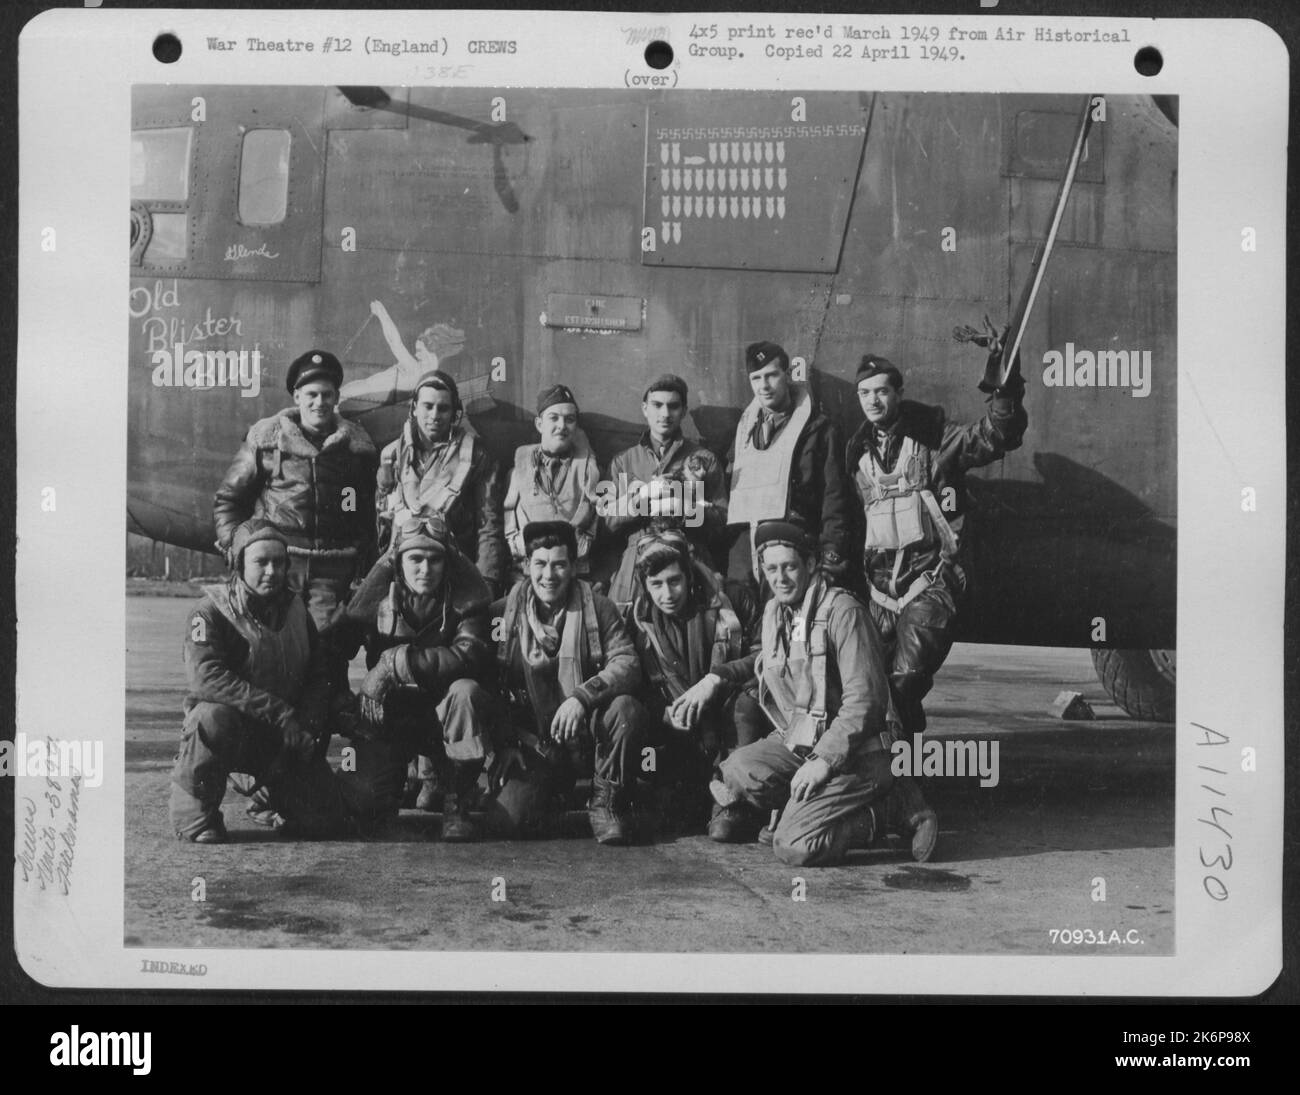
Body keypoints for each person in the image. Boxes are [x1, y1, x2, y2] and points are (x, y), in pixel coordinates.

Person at [845, 335, 1027, 848]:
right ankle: (881, 789)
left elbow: (996, 436)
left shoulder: (934, 442)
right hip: (881, 593)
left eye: (883, 391)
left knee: (902, 682)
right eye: (866, 393)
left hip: (931, 585)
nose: (875, 401)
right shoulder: (856, 454)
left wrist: (1004, 380)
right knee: (864, 690)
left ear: (898, 394)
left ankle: (903, 803)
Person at [673, 521, 907, 867]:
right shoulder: (780, 613)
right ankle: (805, 806)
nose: (779, 577)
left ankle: (888, 810)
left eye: (789, 567)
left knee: (793, 845)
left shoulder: (843, 612)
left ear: (811, 565)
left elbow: (866, 701)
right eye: (771, 568)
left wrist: (824, 761)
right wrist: (715, 679)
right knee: (736, 771)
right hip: (804, 742)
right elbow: (769, 658)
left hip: (860, 752)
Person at [169, 520, 356, 843]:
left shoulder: (298, 609)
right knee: (210, 717)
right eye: (261, 562)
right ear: (239, 563)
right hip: (234, 731)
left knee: (326, 823)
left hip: (282, 737)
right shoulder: (209, 612)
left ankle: (269, 797)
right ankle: (196, 815)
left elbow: (318, 674)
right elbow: (206, 679)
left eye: (279, 562)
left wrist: (307, 726)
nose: (272, 571)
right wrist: (282, 714)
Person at [332, 515, 496, 841]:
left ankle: (457, 799)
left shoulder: (467, 602)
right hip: (392, 718)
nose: (425, 569)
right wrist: (342, 700)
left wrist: (394, 662)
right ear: (398, 561)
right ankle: (394, 784)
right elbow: (332, 649)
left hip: (443, 717)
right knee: (362, 803)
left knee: (466, 692)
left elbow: (468, 656)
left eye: (435, 559)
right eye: (415, 559)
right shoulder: (378, 598)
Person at [487, 521, 650, 845]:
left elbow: (628, 663)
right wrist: (505, 742)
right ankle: (551, 794)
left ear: (573, 567)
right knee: (508, 820)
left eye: (560, 564)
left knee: (626, 710)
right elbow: (489, 680)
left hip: (588, 737)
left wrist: (582, 696)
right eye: (541, 564)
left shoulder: (599, 607)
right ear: (525, 566)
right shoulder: (500, 615)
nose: (549, 575)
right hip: (534, 742)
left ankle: (607, 801)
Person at [213, 349, 379, 633]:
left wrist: (357, 557)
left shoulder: (354, 450)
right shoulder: (266, 441)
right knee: (274, 642)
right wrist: (237, 546)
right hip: (279, 564)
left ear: (337, 398)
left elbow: (355, 509)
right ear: (297, 396)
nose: (319, 403)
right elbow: (229, 501)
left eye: (327, 395)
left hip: (331, 570)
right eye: (312, 394)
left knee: (327, 647)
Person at [626, 529, 761, 825]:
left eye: (675, 581)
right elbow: (635, 683)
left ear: (688, 575)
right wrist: (661, 714)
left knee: (747, 703)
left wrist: (715, 679)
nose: (667, 594)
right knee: (670, 814)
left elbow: (764, 656)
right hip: (679, 730)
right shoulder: (638, 620)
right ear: (645, 586)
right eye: (656, 584)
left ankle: (736, 792)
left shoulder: (732, 601)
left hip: (729, 719)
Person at [727, 341, 853, 586]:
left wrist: (831, 552)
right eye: (756, 378)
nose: (764, 386)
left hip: (794, 552)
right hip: (747, 559)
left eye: (772, 375)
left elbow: (834, 497)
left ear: (787, 375)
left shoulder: (819, 429)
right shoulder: (744, 430)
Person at [604, 374, 728, 611]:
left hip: (689, 562)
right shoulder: (623, 462)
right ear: (644, 408)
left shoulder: (705, 459)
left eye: (673, 406)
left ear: (683, 411)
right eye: (657, 405)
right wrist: (641, 500)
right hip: (635, 566)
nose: (665, 413)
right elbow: (606, 522)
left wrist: (687, 510)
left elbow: (723, 523)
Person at [502, 384, 601, 580]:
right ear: (539, 424)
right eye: (554, 418)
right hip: (527, 575)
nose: (562, 426)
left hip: (576, 575)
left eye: (570, 419)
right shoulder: (516, 472)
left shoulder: (592, 473)